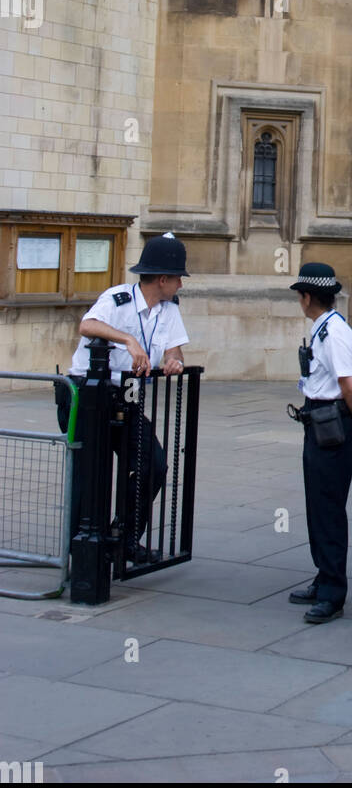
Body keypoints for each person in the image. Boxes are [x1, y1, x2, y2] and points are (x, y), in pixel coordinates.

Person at [56, 232, 190, 564]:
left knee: (154, 465)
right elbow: (87, 326)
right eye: (178, 279)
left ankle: (125, 536)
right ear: (162, 279)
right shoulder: (117, 299)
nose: (181, 286)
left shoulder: (168, 310)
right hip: (87, 397)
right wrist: (129, 339)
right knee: (91, 475)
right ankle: (84, 553)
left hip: (125, 399)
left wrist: (175, 362)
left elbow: (174, 350)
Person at [287, 262, 352, 624]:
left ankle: (333, 593)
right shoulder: (325, 329)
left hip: (332, 422)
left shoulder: (334, 335)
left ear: (307, 296)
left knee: (328, 507)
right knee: (318, 503)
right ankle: (323, 575)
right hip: (319, 418)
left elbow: (349, 386)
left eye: (300, 295)